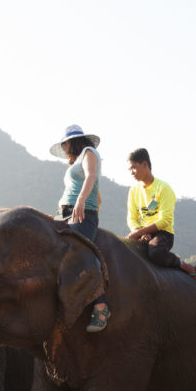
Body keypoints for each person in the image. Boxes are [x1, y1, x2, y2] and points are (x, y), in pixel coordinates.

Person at [51, 124, 111, 333]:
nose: (64, 148)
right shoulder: (75, 162)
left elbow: (91, 176)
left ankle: (101, 307)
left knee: (80, 253)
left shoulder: (88, 152)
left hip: (81, 210)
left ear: (72, 141)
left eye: (64, 144)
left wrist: (82, 202)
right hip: (65, 211)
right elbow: (97, 193)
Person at [126, 148, 196, 282]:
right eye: (130, 169)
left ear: (145, 164)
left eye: (134, 167)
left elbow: (165, 220)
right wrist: (138, 231)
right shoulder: (133, 191)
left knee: (155, 253)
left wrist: (140, 232)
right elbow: (131, 218)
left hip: (163, 233)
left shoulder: (163, 188)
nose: (132, 172)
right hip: (142, 232)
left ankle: (184, 266)